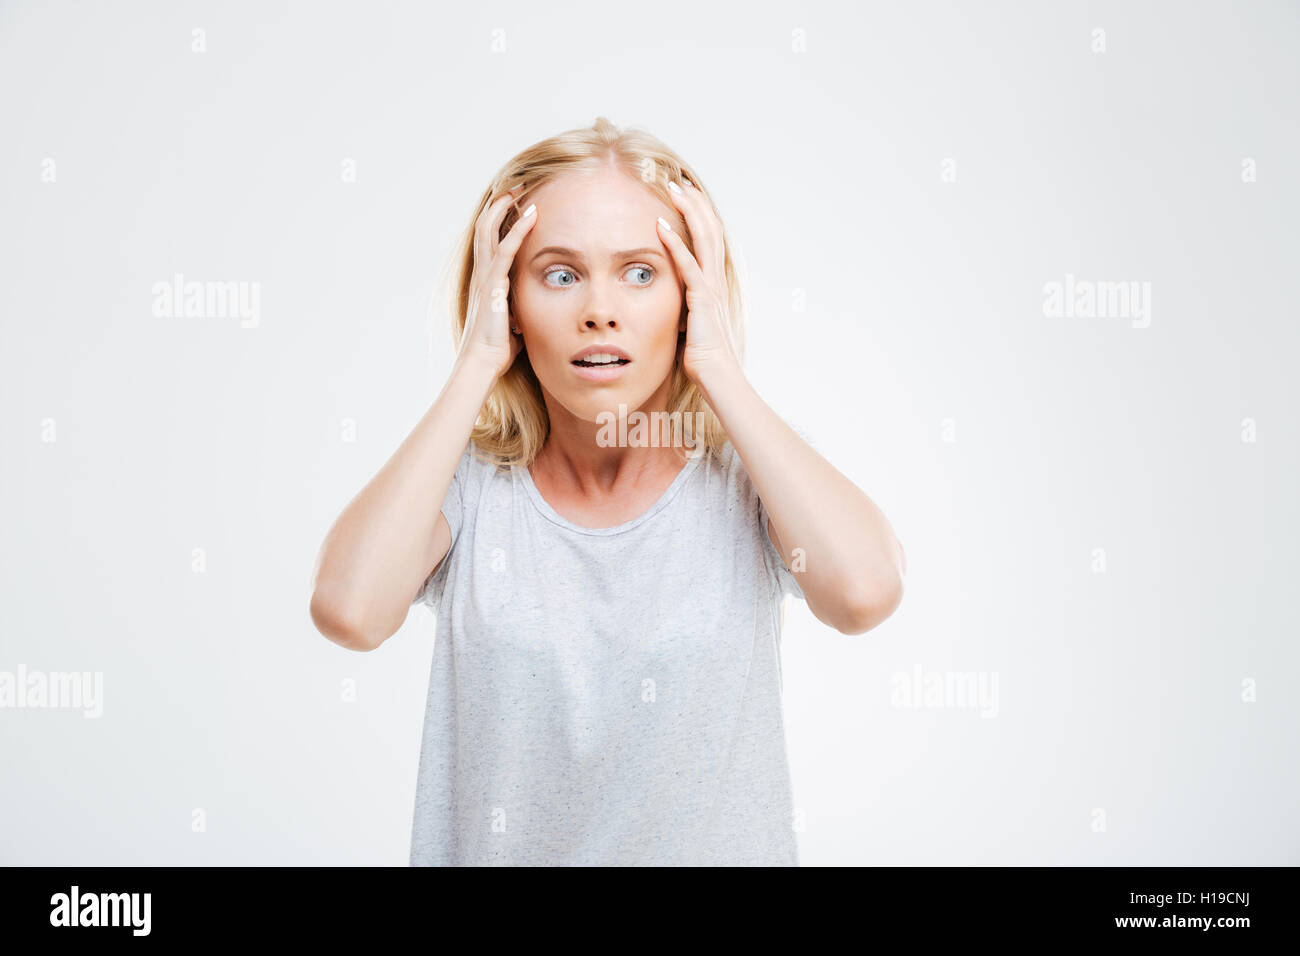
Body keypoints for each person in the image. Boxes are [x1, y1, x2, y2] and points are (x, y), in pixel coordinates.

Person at [309, 117, 907, 866]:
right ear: (511, 302)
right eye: (559, 274)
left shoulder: (749, 481)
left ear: (692, 295)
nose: (600, 308)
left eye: (641, 272)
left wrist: (718, 363)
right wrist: (475, 363)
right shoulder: (471, 490)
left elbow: (866, 593)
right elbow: (350, 611)